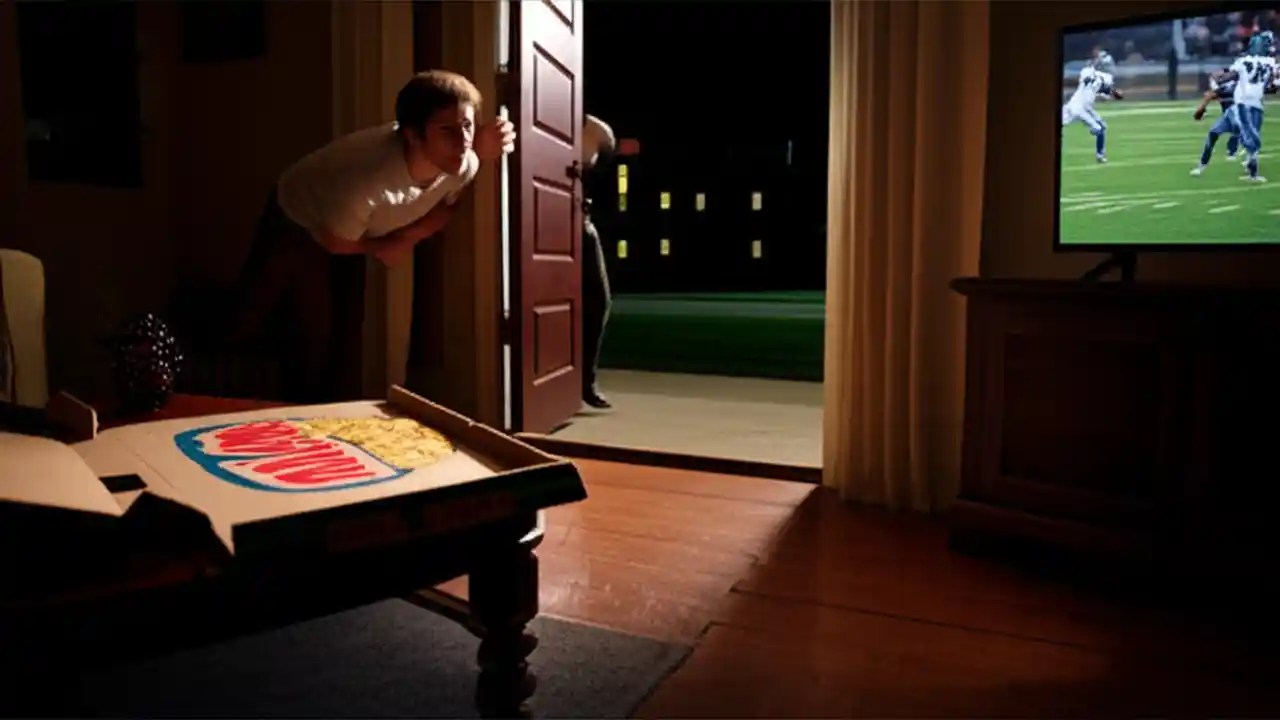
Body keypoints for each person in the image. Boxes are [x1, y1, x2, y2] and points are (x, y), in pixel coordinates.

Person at [228, 70, 516, 402]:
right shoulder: (368, 180)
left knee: (344, 336)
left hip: (353, 229)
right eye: (447, 130)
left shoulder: (464, 162)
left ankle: (323, 412)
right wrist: (385, 245)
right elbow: (337, 242)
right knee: (269, 318)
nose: (463, 141)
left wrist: (403, 241)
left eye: (467, 126)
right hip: (297, 216)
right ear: (413, 136)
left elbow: (446, 209)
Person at [580, 114, 617, 409]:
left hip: (578, 222)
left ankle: (583, 380)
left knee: (597, 300)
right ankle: (581, 380)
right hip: (563, 221)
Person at [1061, 49, 1124, 164]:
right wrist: (1115, 93)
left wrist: (1113, 92)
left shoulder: (1089, 71)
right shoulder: (1102, 76)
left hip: (1081, 106)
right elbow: (1105, 95)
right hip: (1079, 108)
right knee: (1099, 129)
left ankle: (1100, 154)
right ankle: (1098, 150)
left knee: (1102, 127)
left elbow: (1103, 90)